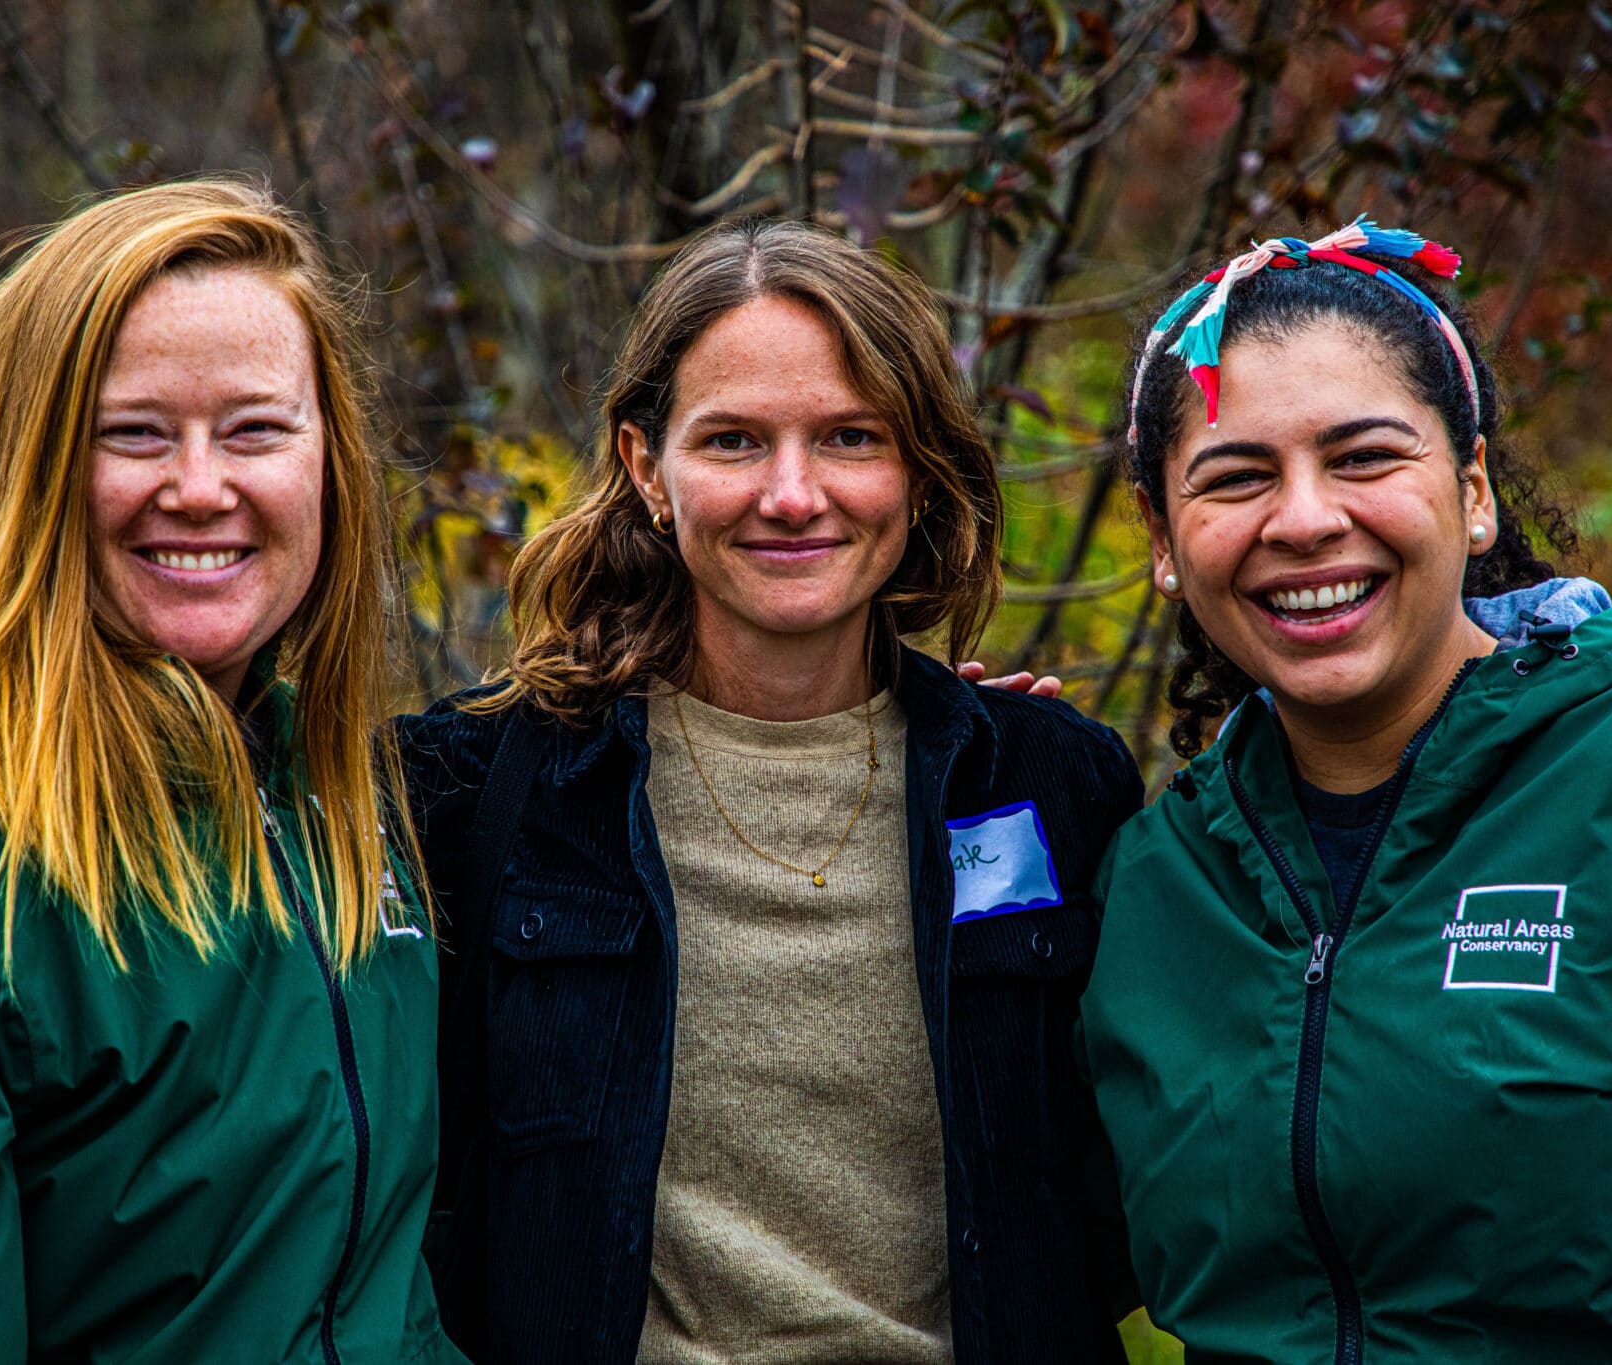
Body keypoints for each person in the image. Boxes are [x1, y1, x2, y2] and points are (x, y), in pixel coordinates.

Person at [0, 180, 465, 1363]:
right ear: (33, 471)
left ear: (328, 462)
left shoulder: (333, 815)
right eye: (133, 433)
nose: (197, 485)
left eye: (254, 430)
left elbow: (371, 1293)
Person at [403, 217, 1145, 1363]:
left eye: (850, 437)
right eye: (734, 441)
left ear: (916, 468)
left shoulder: (1051, 782)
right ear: (649, 468)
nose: (793, 496)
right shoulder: (475, 795)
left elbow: (1124, 1199)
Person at [1078, 219, 1612, 1359]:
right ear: (1164, 542)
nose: (1303, 519)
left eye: (1363, 458)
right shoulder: (1154, 881)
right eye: (1235, 476)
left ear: (1470, 494)